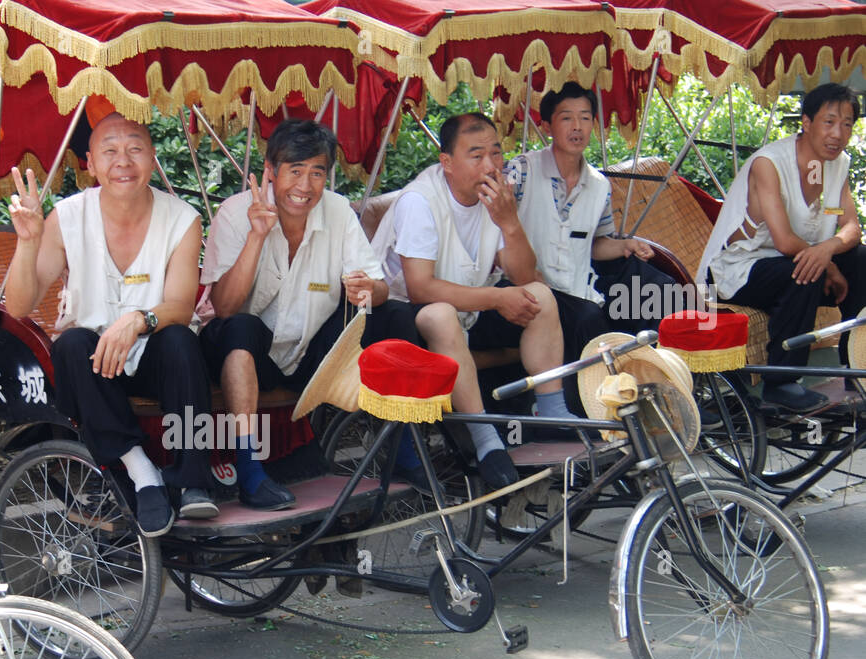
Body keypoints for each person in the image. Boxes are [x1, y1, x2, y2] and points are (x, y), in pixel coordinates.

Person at [5, 113, 216, 536]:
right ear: (91, 164)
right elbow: (18, 305)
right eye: (110, 151)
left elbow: (179, 305)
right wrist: (28, 242)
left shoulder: (182, 218)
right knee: (71, 344)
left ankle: (194, 478)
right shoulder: (68, 216)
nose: (123, 161)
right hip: (94, 369)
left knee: (180, 339)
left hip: (155, 356)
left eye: (135, 149)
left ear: (152, 159)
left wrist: (138, 320)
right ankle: (142, 473)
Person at [199, 118, 420, 508]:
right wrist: (257, 236)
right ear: (271, 171)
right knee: (239, 328)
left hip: (311, 351)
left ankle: (402, 449)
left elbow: (378, 286)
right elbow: (225, 307)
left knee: (396, 315)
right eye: (295, 171)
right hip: (246, 354)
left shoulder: (337, 211)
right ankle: (250, 471)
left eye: (317, 173)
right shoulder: (236, 212)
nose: (305, 186)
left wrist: (369, 290)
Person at [369, 112, 580, 491]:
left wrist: (509, 222)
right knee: (441, 315)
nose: (490, 165)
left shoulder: (495, 196)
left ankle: (552, 413)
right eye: (477, 155)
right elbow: (420, 288)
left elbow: (524, 276)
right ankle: (485, 440)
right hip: (403, 316)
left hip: (470, 305)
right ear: (446, 162)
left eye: (496, 153)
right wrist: (497, 298)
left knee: (540, 296)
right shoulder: (419, 201)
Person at [697, 82, 866, 411]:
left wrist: (828, 250)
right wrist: (827, 262)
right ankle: (781, 382)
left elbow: (851, 227)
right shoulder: (769, 163)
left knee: (860, 259)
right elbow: (785, 241)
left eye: (847, 124)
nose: (838, 134)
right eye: (829, 122)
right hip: (738, 270)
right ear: (807, 123)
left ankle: (854, 364)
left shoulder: (837, 164)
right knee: (805, 270)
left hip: (797, 262)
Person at [507, 82, 676, 344]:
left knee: (662, 291)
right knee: (588, 319)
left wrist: (625, 245)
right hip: (526, 289)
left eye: (585, 118)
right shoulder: (521, 171)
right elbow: (493, 229)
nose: (577, 127)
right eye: (567, 118)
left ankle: (657, 361)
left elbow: (594, 244)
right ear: (547, 127)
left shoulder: (599, 185)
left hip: (579, 288)